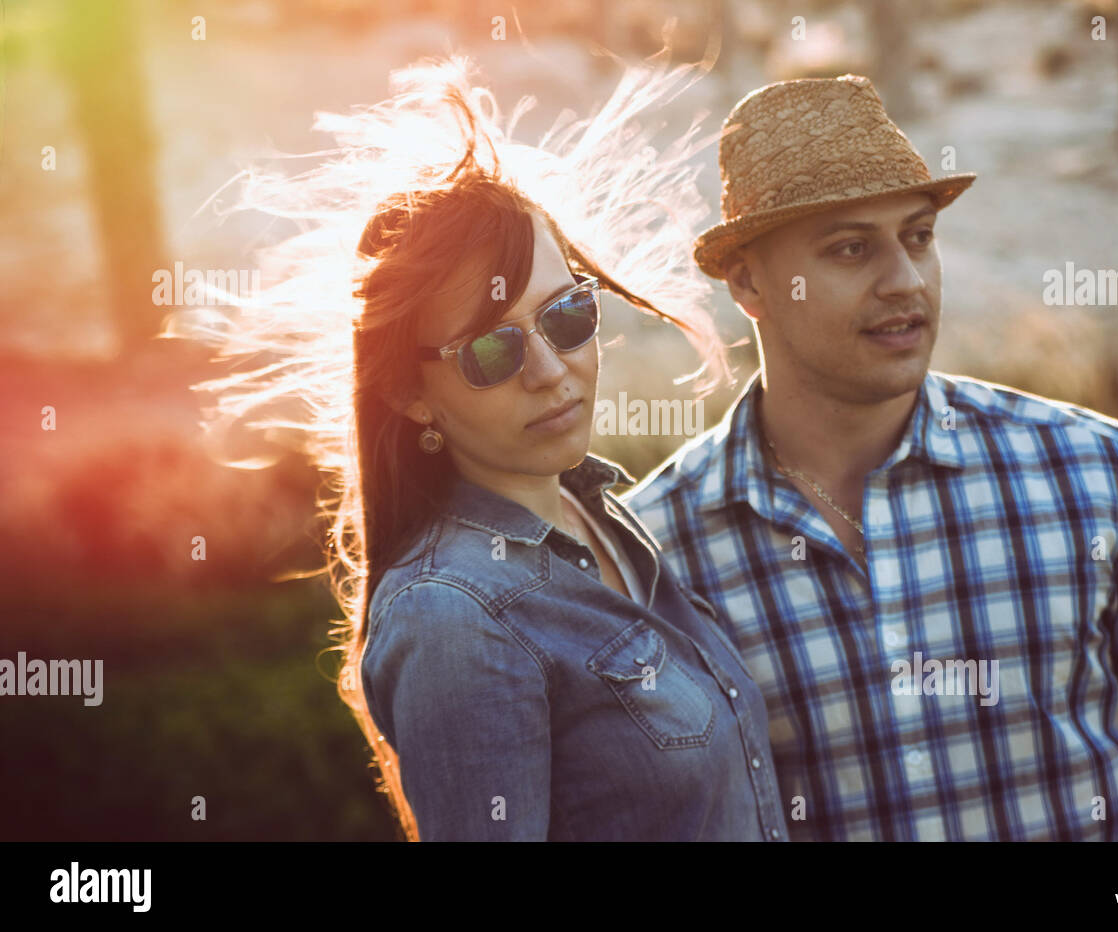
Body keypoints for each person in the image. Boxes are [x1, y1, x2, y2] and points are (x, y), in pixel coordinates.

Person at [623, 74, 1118, 841]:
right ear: (747, 281)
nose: (905, 282)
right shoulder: (651, 553)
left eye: (918, 237)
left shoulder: (1089, 471)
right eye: (850, 248)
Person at [175, 56, 787, 841]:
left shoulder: (601, 515)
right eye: (490, 354)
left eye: (566, 317)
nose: (549, 372)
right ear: (408, 392)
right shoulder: (451, 621)